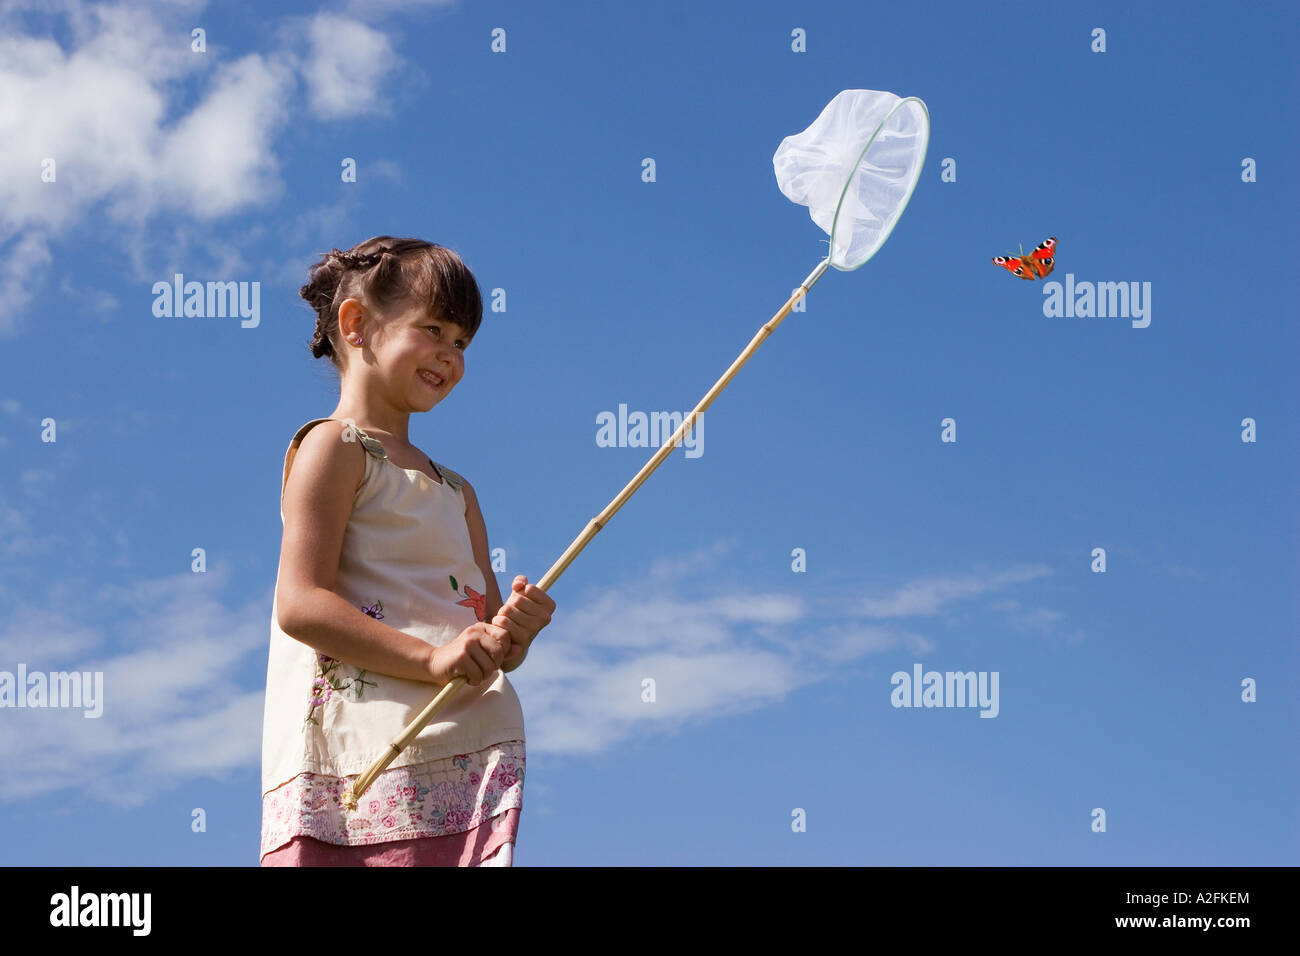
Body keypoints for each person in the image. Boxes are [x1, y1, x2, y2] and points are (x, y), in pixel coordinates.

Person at [260, 236, 555, 866]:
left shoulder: (458, 491)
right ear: (357, 323)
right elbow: (300, 603)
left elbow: (485, 638)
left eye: (463, 343)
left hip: (460, 748)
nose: (450, 355)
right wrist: (431, 660)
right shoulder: (336, 448)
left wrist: (515, 634)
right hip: (362, 761)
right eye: (434, 329)